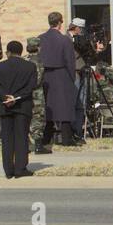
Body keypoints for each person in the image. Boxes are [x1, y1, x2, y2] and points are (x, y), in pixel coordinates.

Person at [0, 40, 38, 179]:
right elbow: (31, 86)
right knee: (21, 137)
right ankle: (20, 168)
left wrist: (6, 97)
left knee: (7, 138)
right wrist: (16, 97)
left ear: (8, 52)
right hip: (22, 105)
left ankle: (8, 169)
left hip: (5, 106)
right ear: (21, 52)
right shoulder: (30, 67)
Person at [39, 11, 78, 147]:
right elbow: (70, 61)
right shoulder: (65, 40)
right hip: (62, 74)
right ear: (60, 23)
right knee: (64, 106)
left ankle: (46, 137)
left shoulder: (40, 38)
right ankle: (66, 138)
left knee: (48, 106)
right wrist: (71, 77)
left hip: (45, 75)